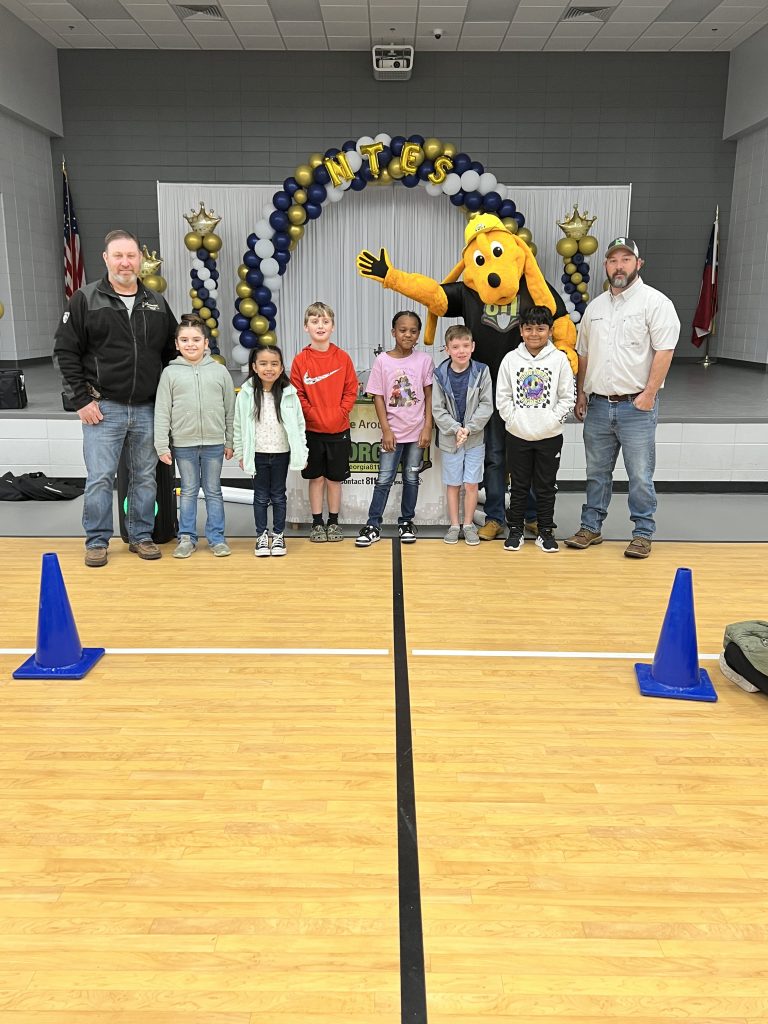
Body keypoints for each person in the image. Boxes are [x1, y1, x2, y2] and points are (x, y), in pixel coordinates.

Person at [54, 229, 177, 567]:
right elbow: (65, 352)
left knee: (144, 477)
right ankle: (96, 541)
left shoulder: (156, 302)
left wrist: (169, 401)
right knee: (100, 478)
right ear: (106, 258)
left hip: (147, 408)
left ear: (140, 260)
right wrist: (81, 400)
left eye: (131, 256)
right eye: (118, 256)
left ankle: (141, 536)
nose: (125, 262)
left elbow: (171, 353)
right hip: (102, 408)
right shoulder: (85, 299)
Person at [564, 238, 680, 559]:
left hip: (636, 406)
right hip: (599, 404)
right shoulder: (595, 308)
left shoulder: (655, 303)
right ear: (605, 265)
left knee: (640, 475)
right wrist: (581, 393)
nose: (619, 266)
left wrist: (649, 394)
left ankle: (642, 533)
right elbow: (583, 354)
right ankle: (591, 528)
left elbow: (665, 351)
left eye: (626, 260)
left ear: (638, 264)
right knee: (596, 473)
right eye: (613, 260)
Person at [154, 314, 235, 558]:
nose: (191, 344)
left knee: (213, 491)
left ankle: (217, 538)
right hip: (184, 444)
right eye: (185, 340)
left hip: (214, 443)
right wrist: (161, 445)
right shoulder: (170, 373)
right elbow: (162, 410)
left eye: (196, 340)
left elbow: (230, 410)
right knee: (188, 491)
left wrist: (230, 440)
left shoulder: (220, 372)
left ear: (206, 343)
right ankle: (186, 538)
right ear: (176, 344)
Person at [496, 306, 575, 553]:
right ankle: (516, 530)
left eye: (540, 329)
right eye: (528, 328)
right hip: (518, 435)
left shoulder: (559, 359)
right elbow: (503, 397)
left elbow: (568, 397)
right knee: (518, 486)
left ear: (550, 331)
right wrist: (514, 421)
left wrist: (552, 421)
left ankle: (545, 531)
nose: (534, 334)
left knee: (546, 486)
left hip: (549, 436)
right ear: (521, 331)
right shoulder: (510, 359)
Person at [356, 311, 433, 547]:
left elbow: (429, 395)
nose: (407, 335)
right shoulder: (382, 361)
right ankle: (373, 525)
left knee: (411, 478)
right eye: (402, 330)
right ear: (393, 332)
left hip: (417, 433)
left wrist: (427, 426)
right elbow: (378, 397)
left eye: (413, 331)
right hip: (393, 434)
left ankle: (406, 522)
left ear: (418, 335)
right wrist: (386, 430)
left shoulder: (424, 360)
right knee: (384, 479)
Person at [290, 301, 357, 542]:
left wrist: (340, 412)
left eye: (325, 321)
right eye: (315, 321)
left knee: (334, 480)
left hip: (338, 430)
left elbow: (351, 390)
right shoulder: (300, 360)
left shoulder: (343, 358)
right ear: (305, 326)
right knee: (316, 478)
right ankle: (317, 523)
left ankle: (334, 522)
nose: (320, 326)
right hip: (311, 431)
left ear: (333, 326)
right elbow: (297, 393)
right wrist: (312, 414)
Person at [234, 343, 308, 557]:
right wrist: (240, 453)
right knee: (260, 497)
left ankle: (278, 535)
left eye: (274, 364)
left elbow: (299, 425)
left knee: (278, 495)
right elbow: (238, 426)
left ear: (282, 367)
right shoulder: (246, 394)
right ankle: (261, 536)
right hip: (257, 453)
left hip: (281, 453)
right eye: (263, 363)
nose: (269, 368)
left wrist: (302, 451)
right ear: (254, 367)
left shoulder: (289, 393)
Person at [432, 326, 493, 545]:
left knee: (471, 484)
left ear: (473, 347)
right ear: (447, 349)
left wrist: (469, 429)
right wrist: (456, 429)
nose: (461, 351)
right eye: (456, 347)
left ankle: (468, 525)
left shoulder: (482, 372)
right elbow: (437, 409)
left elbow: (486, 405)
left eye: (466, 345)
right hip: (451, 440)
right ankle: (454, 525)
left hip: (474, 439)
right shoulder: (439, 374)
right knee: (453, 484)